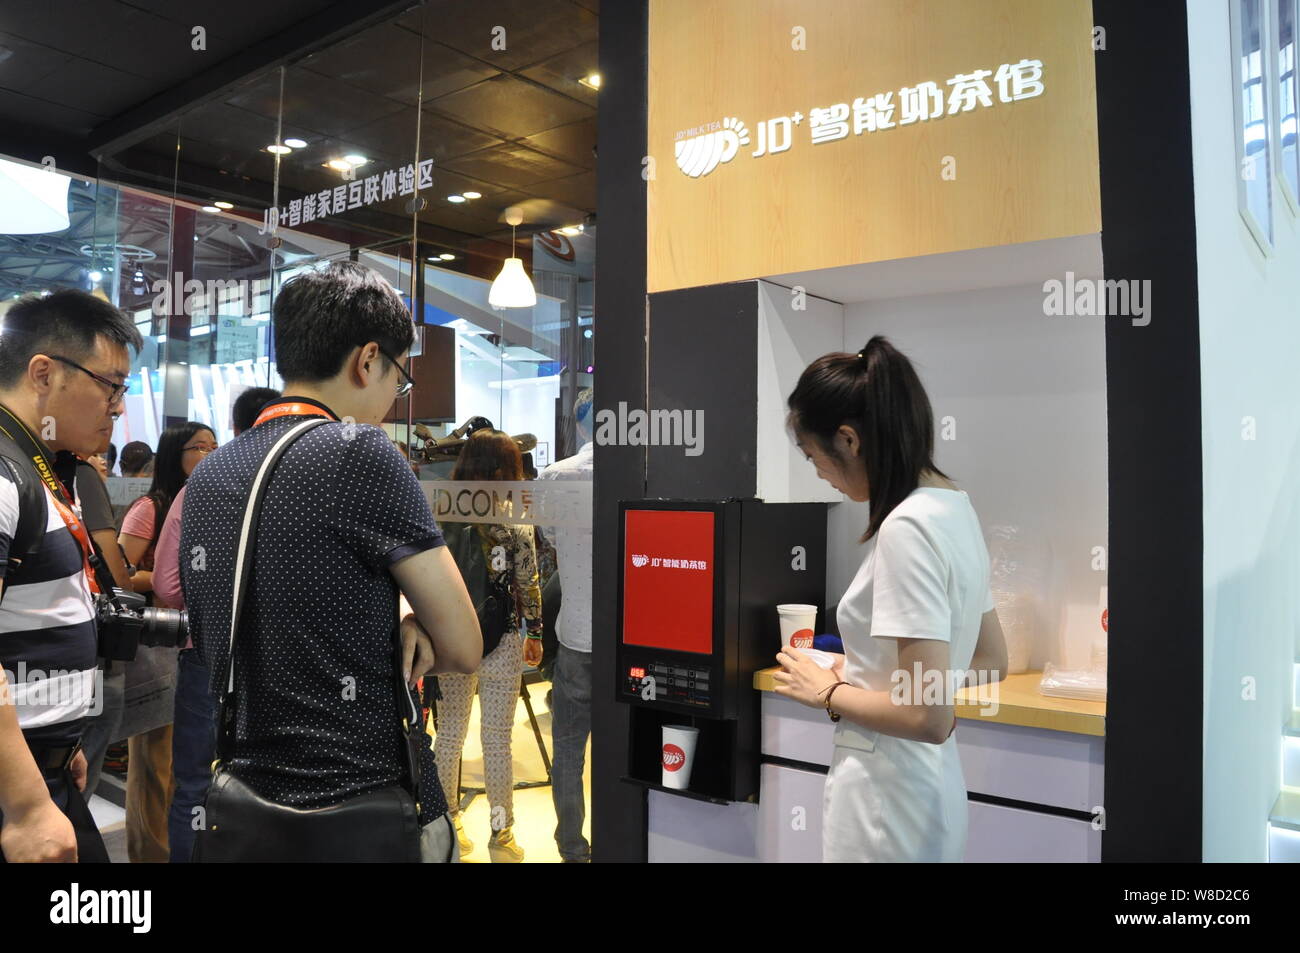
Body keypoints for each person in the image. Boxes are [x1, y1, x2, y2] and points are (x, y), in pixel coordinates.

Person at [180, 261, 481, 862]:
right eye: (399, 375)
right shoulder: (361, 453)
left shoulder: (211, 473)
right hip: (357, 799)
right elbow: (464, 646)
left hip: (243, 801)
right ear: (367, 361)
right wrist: (417, 622)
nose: (395, 397)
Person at [772, 336, 1008, 863]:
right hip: (929, 793)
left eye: (814, 457)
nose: (819, 474)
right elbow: (990, 660)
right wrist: (863, 667)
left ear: (849, 441)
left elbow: (927, 716)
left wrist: (827, 691)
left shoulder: (907, 528)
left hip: (886, 805)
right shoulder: (953, 506)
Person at [0, 289, 142, 862]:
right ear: (43, 373)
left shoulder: (42, 468)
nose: (118, 406)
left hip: (44, 765)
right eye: (110, 385)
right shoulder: (8, 475)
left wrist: (57, 742)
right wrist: (28, 804)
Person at [152, 385, 279, 862]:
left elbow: (166, 584)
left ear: (235, 427)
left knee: (194, 783)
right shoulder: (300, 483)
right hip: (276, 654)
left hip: (205, 652)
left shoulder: (201, 485)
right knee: (268, 782)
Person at [435, 429, 544, 862]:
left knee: (448, 736)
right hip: (500, 638)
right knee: (498, 740)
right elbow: (527, 579)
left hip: (451, 637)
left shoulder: (442, 511)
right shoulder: (514, 516)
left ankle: (448, 823)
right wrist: (533, 632)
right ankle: (502, 836)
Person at [117, 421, 216, 862]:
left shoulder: (207, 501)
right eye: (199, 447)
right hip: (156, 642)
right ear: (176, 453)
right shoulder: (152, 506)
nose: (210, 454)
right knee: (153, 764)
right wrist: (163, 579)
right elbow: (117, 573)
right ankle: (147, 855)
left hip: (190, 645)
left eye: (215, 445)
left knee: (182, 766)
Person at [537, 388, 594, 863]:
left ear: (577, 426)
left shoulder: (556, 477)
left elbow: (549, 537)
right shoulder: (641, 473)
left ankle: (571, 847)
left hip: (575, 635)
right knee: (623, 749)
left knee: (569, 755)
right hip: (627, 638)